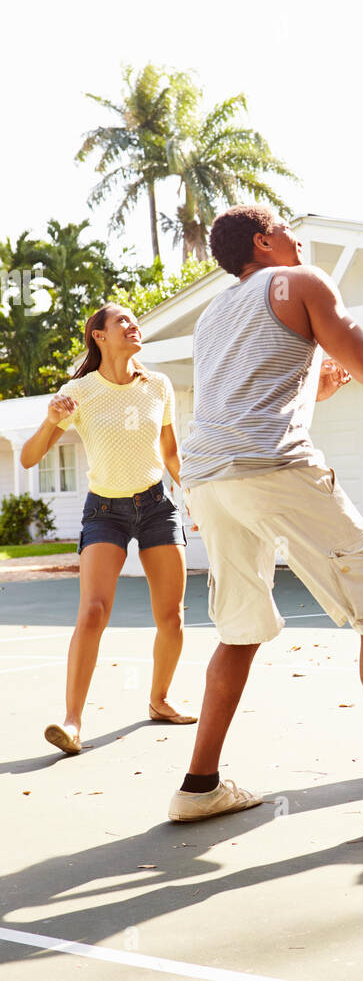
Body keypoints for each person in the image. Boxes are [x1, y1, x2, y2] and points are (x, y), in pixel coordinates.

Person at [175, 205, 363, 835]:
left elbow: (250, 392)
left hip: (209, 480)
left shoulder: (215, 313)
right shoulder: (300, 281)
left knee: (239, 629)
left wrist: (314, 390)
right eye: (284, 226)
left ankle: (198, 787)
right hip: (272, 471)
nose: (296, 237)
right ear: (263, 240)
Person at [19, 304, 191, 755]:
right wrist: (52, 419)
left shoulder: (158, 385)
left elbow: (171, 453)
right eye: (124, 322)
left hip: (157, 506)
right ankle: (72, 721)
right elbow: (29, 458)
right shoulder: (79, 391)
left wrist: (192, 491)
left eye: (136, 322)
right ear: (99, 335)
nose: (135, 327)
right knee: (93, 611)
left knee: (171, 616)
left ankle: (159, 699)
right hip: (104, 511)